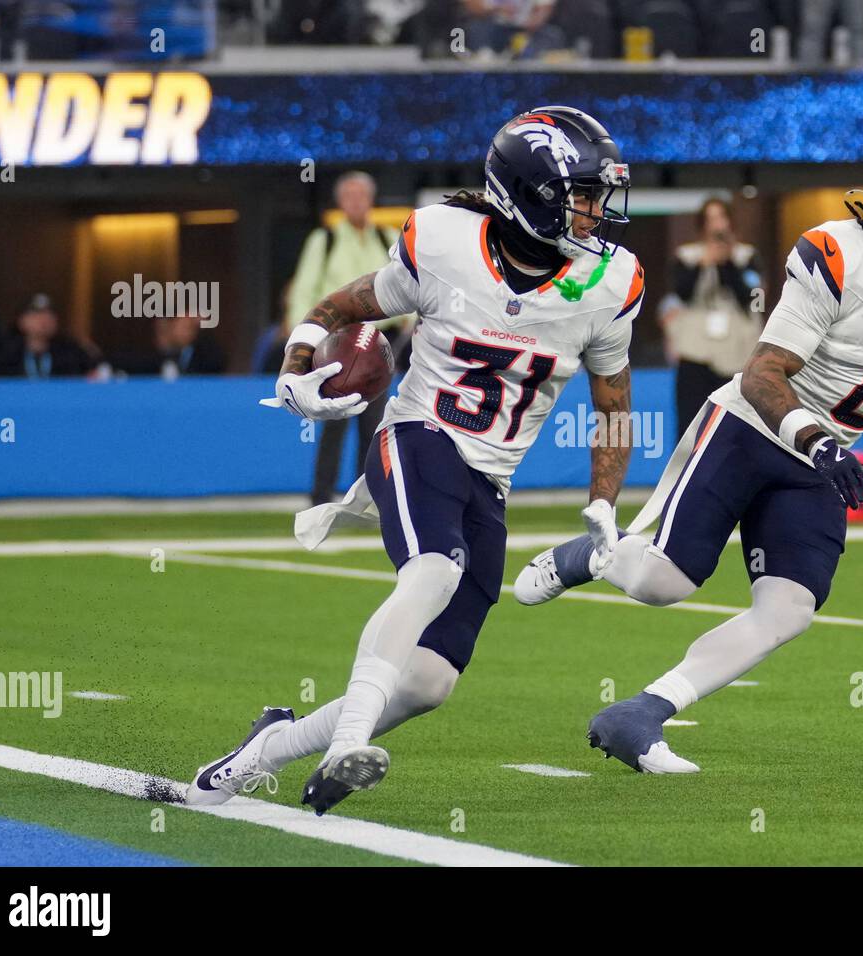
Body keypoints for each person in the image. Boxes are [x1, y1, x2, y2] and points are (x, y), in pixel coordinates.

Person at [186, 106, 643, 814]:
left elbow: (614, 408)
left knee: (430, 683)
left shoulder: (609, 286)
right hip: (419, 435)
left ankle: (265, 749)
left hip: (490, 479)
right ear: (531, 196)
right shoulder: (443, 242)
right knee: (433, 571)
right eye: (582, 195)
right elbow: (340, 306)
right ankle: (346, 749)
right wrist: (297, 366)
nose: (596, 212)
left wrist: (605, 506)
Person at [515, 126, 863, 773]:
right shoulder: (836, 256)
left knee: (789, 609)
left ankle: (642, 712)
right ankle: (592, 556)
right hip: (753, 431)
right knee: (660, 582)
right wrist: (818, 441)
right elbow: (764, 372)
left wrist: (825, 447)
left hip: (821, 457)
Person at [289, 171, 411, 506]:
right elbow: (305, 289)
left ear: (370, 201)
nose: (356, 202)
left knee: (375, 423)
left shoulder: (386, 237)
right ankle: (320, 495)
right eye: (349, 196)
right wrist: (300, 337)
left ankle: (366, 496)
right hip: (336, 341)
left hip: (377, 343)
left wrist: (411, 319)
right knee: (333, 422)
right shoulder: (324, 240)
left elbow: (404, 285)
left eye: (362, 196)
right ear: (341, 202)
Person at [662, 197, 764, 444]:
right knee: (691, 421)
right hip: (697, 350)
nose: (717, 225)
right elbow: (681, 295)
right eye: (710, 219)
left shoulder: (747, 256)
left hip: (737, 350)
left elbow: (754, 300)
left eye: (721, 217)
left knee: (737, 425)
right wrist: (703, 263)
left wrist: (728, 262)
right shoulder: (687, 256)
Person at [0, 294, 96, 378]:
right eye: (36, 314)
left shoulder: (72, 354)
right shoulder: (5, 354)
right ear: (21, 320)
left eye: (49, 314)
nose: (44, 320)